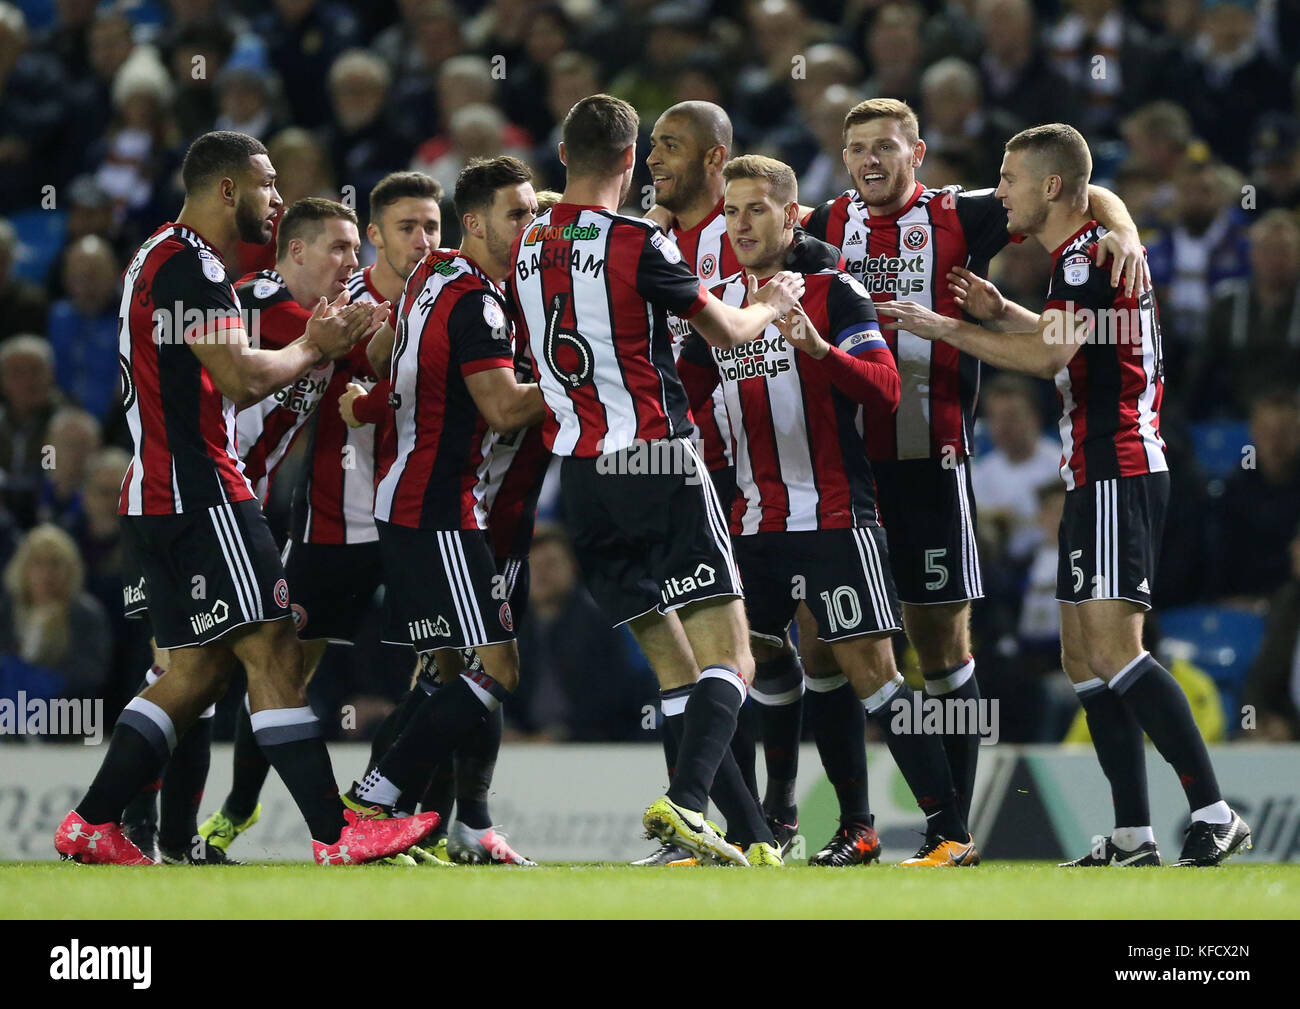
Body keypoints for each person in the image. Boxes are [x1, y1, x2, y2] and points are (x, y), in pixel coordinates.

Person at [52, 130, 434, 867]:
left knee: (196, 670)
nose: (278, 197)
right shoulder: (194, 266)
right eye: (266, 183)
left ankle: (95, 822)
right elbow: (240, 378)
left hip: (161, 493)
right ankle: (334, 831)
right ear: (228, 190)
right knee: (273, 648)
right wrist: (314, 346)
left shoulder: (161, 254)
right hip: (203, 489)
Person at [878, 122, 1251, 867]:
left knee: (1116, 649)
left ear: (1051, 186)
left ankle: (1215, 809)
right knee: (1084, 659)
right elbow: (1061, 340)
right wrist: (996, 312)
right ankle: (1132, 835)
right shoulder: (1082, 256)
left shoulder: (1084, 258)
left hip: (1119, 465)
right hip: (1093, 469)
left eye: (1010, 178)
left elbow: (1049, 353)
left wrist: (944, 327)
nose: (1001, 192)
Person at [800, 98, 1148, 836]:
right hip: (844, 475)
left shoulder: (962, 214)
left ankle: (950, 832)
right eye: (857, 147)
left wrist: (1120, 228)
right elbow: (750, 221)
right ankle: (849, 825)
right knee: (828, 642)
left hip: (932, 465)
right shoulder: (822, 224)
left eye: (886, 147)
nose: (871, 160)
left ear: (916, 153)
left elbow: (1078, 184)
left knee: (943, 651)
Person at [508, 94, 804, 867]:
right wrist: (770, 302)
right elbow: (728, 331)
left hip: (578, 478)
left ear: (566, 155)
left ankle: (746, 837)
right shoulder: (639, 242)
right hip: (656, 462)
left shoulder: (528, 238)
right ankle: (686, 803)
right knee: (732, 658)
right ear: (631, 161)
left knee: (675, 668)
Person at [679, 155, 980, 867]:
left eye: (757, 209)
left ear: (790, 217)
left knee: (872, 670)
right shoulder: (718, 308)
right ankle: (743, 834)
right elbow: (686, 402)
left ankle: (948, 832)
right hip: (748, 525)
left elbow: (883, 391)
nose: (741, 223)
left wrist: (816, 350)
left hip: (834, 517)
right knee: (716, 668)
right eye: (731, 210)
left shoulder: (833, 292)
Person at [197, 172, 443, 859]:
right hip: (329, 523)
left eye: (431, 227)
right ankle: (236, 810)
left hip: (416, 517)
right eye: (404, 228)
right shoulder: (335, 306)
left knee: (441, 672)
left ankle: (417, 816)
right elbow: (350, 357)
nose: (420, 240)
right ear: (376, 237)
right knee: (277, 669)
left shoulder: (452, 295)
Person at [120, 196, 364, 864]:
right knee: (202, 666)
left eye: (355, 249)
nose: (351, 263)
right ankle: (145, 830)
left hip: (195, 500)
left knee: (196, 670)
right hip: (199, 500)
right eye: (338, 248)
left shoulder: (310, 317)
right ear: (295, 252)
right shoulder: (261, 306)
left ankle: (157, 836)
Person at [337, 163, 550, 867]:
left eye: (533, 215)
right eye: (516, 216)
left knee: (447, 669)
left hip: (410, 502)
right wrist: (578, 378)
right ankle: (379, 793)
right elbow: (500, 406)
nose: (529, 229)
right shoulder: (481, 304)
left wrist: (371, 402)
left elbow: (385, 358)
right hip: (443, 507)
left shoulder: (433, 276)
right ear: (477, 223)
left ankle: (433, 820)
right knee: (497, 669)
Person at [640, 100, 819, 864]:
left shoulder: (765, 236)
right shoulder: (641, 240)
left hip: (765, 475)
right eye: (649, 147)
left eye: (669, 147)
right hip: (679, 468)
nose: (654, 161)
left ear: (715, 158)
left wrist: (1109, 213)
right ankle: (719, 827)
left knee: (763, 651)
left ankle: (773, 813)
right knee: (697, 655)